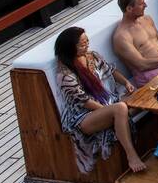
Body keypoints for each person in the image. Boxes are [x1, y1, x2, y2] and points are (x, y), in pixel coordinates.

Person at [53, 25, 146, 174]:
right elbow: (85, 102)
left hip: (106, 103)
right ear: (70, 47)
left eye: (87, 41)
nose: (87, 45)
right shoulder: (65, 74)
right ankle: (132, 156)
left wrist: (126, 83)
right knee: (121, 108)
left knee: (142, 96)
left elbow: (110, 69)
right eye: (82, 44)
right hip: (83, 117)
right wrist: (110, 111)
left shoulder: (92, 56)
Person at [111, 0, 158, 88]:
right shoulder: (122, 36)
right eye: (141, 4)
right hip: (151, 76)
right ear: (129, 8)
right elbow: (142, 65)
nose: (146, 5)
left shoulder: (147, 19)